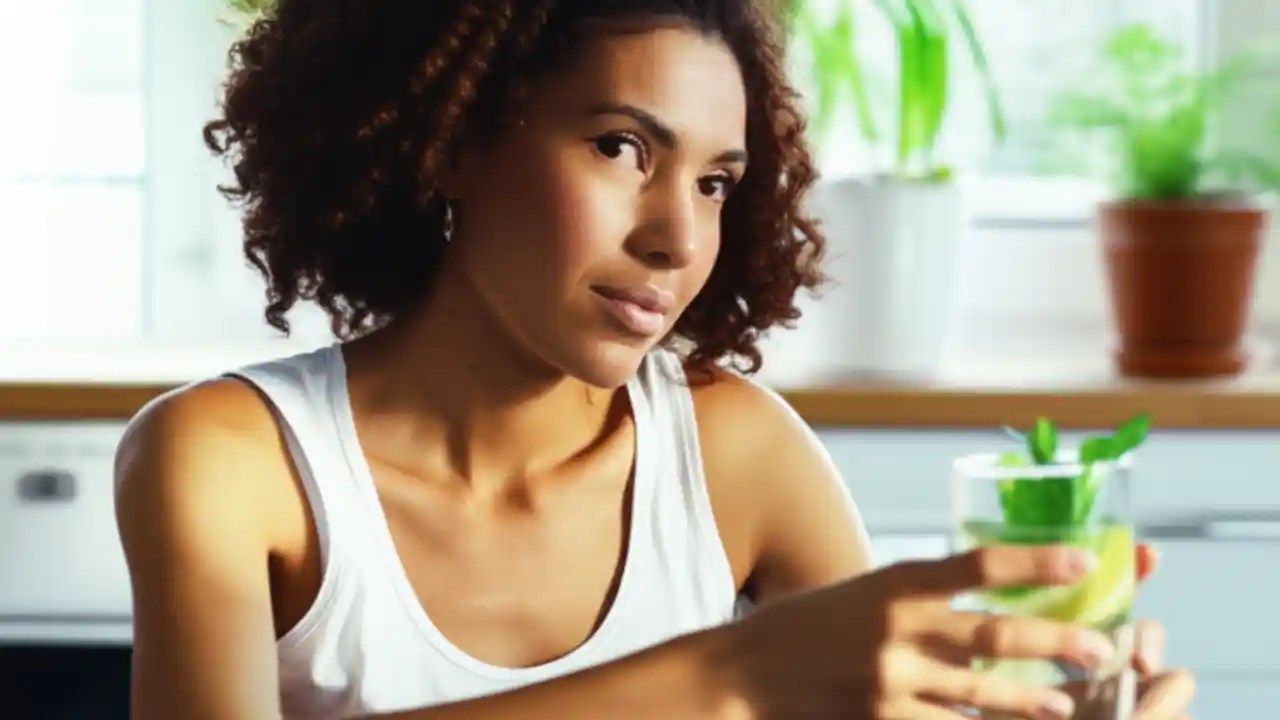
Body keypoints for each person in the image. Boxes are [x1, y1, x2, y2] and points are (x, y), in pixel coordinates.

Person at [113, 1, 1196, 718]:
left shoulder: (736, 452)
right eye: (620, 147)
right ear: (447, 143)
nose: (675, 239)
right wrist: (728, 678)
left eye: (715, 183)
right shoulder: (232, 459)